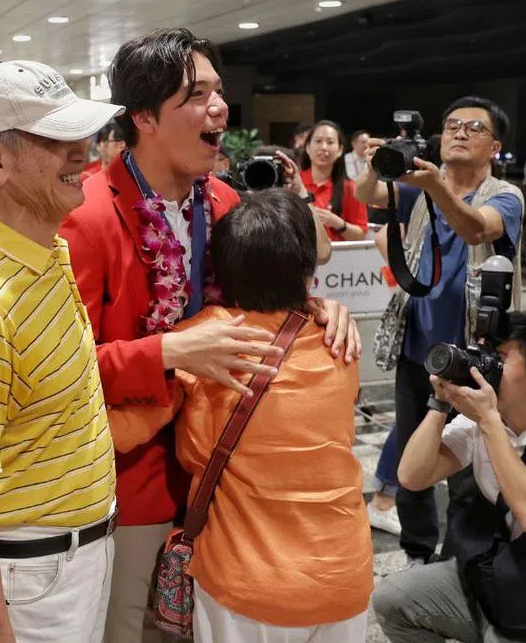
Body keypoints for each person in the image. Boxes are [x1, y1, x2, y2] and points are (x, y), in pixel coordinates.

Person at [61, 28, 360, 643]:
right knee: (129, 630)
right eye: (196, 95)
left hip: (225, 485)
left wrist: (320, 306)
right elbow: (60, 369)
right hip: (133, 477)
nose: (219, 107)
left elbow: (274, 288)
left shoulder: (222, 201)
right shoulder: (86, 216)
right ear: (143, 116)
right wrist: (170, 351)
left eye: (218, 90)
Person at [107, 189, 372, 642]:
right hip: (344, 574)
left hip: (246, 582)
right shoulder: (339, 343)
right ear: (307, 272)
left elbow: (124, 432)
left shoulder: (207, 339)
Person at [0, 60, 122, 643]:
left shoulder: (39, 249)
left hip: (68, 562)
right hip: (32, 581)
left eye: (80, 136)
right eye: (56, 140)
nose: (81, 153)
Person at [373, 312, 526, 643]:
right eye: (485, 354)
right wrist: (439, 404)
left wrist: (488, 421)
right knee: (393, 598)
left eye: (499, 359)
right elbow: (413, 477)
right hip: (497, 576)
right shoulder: (483, 422)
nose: (485, 368)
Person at [355, 96, 524, 566]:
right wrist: (377, 164)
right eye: (452, 125)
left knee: (471, 461)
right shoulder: (418, 187)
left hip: (478, 352)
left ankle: (464, 559)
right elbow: (368, 195)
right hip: (418, 347)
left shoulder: (505, 195)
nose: (460, 132)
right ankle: (416, 551)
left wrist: (434, 185)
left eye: (474, 127)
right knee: (415, 453)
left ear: (495, 146)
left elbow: (476, 230)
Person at [298, 120, 368, 241]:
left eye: (330, 142)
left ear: (340, 150)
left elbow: (361, 234)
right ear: (308, 147)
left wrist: (337, 223)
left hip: (337, 257)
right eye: (318, 141)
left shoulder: (350, 188)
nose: (324, 147)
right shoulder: (295, 183)